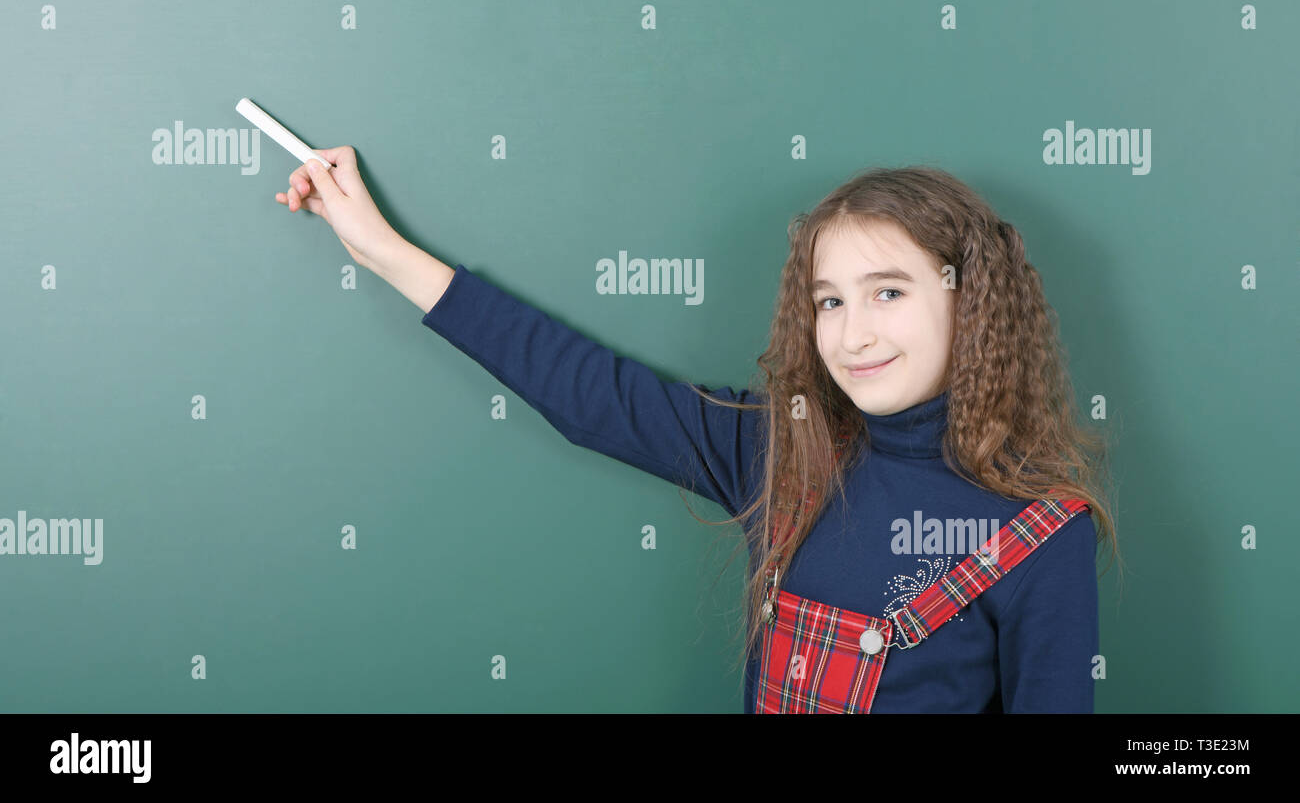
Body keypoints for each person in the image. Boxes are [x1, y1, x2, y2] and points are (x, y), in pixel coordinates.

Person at [275, 149, 1120, 713]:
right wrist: (381, 249)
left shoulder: (1042, 534)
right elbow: (586, 392)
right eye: (830, 300)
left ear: (967, 300)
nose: (852, 333)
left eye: (889, 292)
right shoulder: (780, 449)